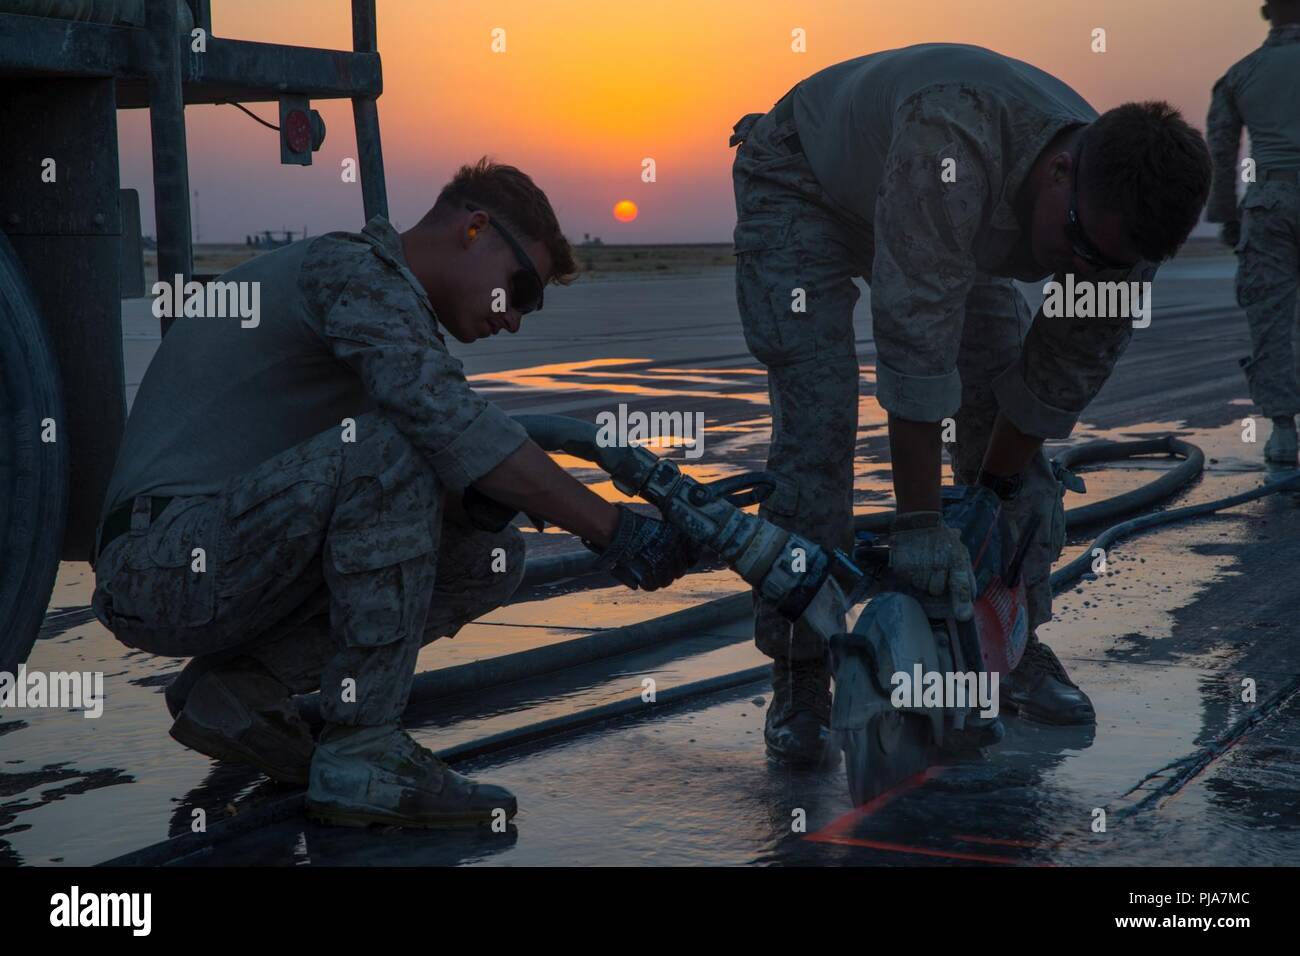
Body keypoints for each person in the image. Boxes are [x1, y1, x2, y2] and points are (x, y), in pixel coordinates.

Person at [91, 159, 698, 827]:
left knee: (487, 555)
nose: (518, 319)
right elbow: (443, 421)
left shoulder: (385, 303)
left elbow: (449, 451)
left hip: (216, 554)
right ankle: (364, 752)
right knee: (403, 445)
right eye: (521, 289)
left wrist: (505, 499)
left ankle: (239, 691)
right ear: (476, 229)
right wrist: (615, 529)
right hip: (161, 563)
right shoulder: (353, 272)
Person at [729, 43, 1211, 764]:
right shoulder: (950, 141)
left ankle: (1007, 646)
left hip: (961, 224)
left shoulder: (1115, 233)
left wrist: (990, 497)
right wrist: (921, 523)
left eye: (1105, 265)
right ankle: (800, 671)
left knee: (1010, 454)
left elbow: (1053, 378)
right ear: (1060, 170)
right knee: (818, 418)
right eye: (1076, 245)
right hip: (806, 184)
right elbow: (914, 340)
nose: (1081, 270)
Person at [1207, 0, 1300, 463]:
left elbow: (1222, 152)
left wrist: (1226, 215)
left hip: (1270, 204)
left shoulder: (1242, 73)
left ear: (1270, 13)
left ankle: (1283, 431)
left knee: (1270, 324)